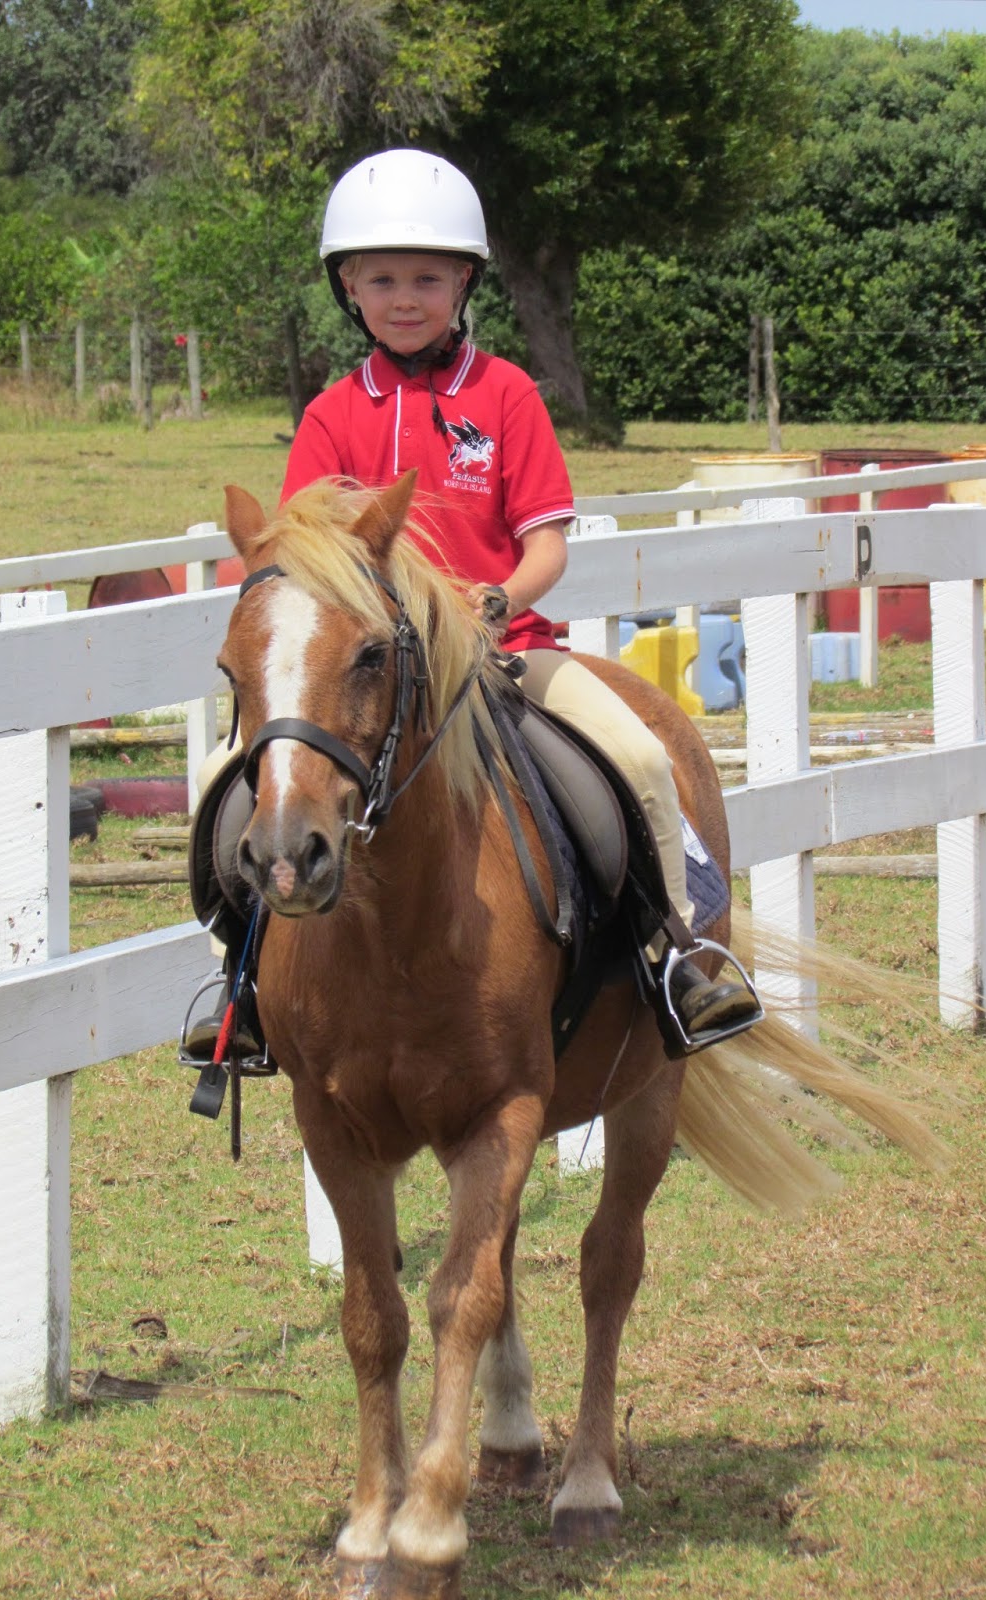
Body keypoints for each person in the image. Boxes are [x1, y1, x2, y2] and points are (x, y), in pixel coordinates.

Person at [182, 149, 756, 1067]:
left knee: (643, 756)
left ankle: (684, 955)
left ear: (464, 283)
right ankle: (241, 982)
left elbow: (548, 548)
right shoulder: (330, 415)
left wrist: (498, 602)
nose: (404, 297)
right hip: (369, 677)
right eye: (381, 279)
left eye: (426, 278)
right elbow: (293, 560)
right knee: (225, 780)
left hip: (509, 654)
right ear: (349, 289)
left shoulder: (507, 394)